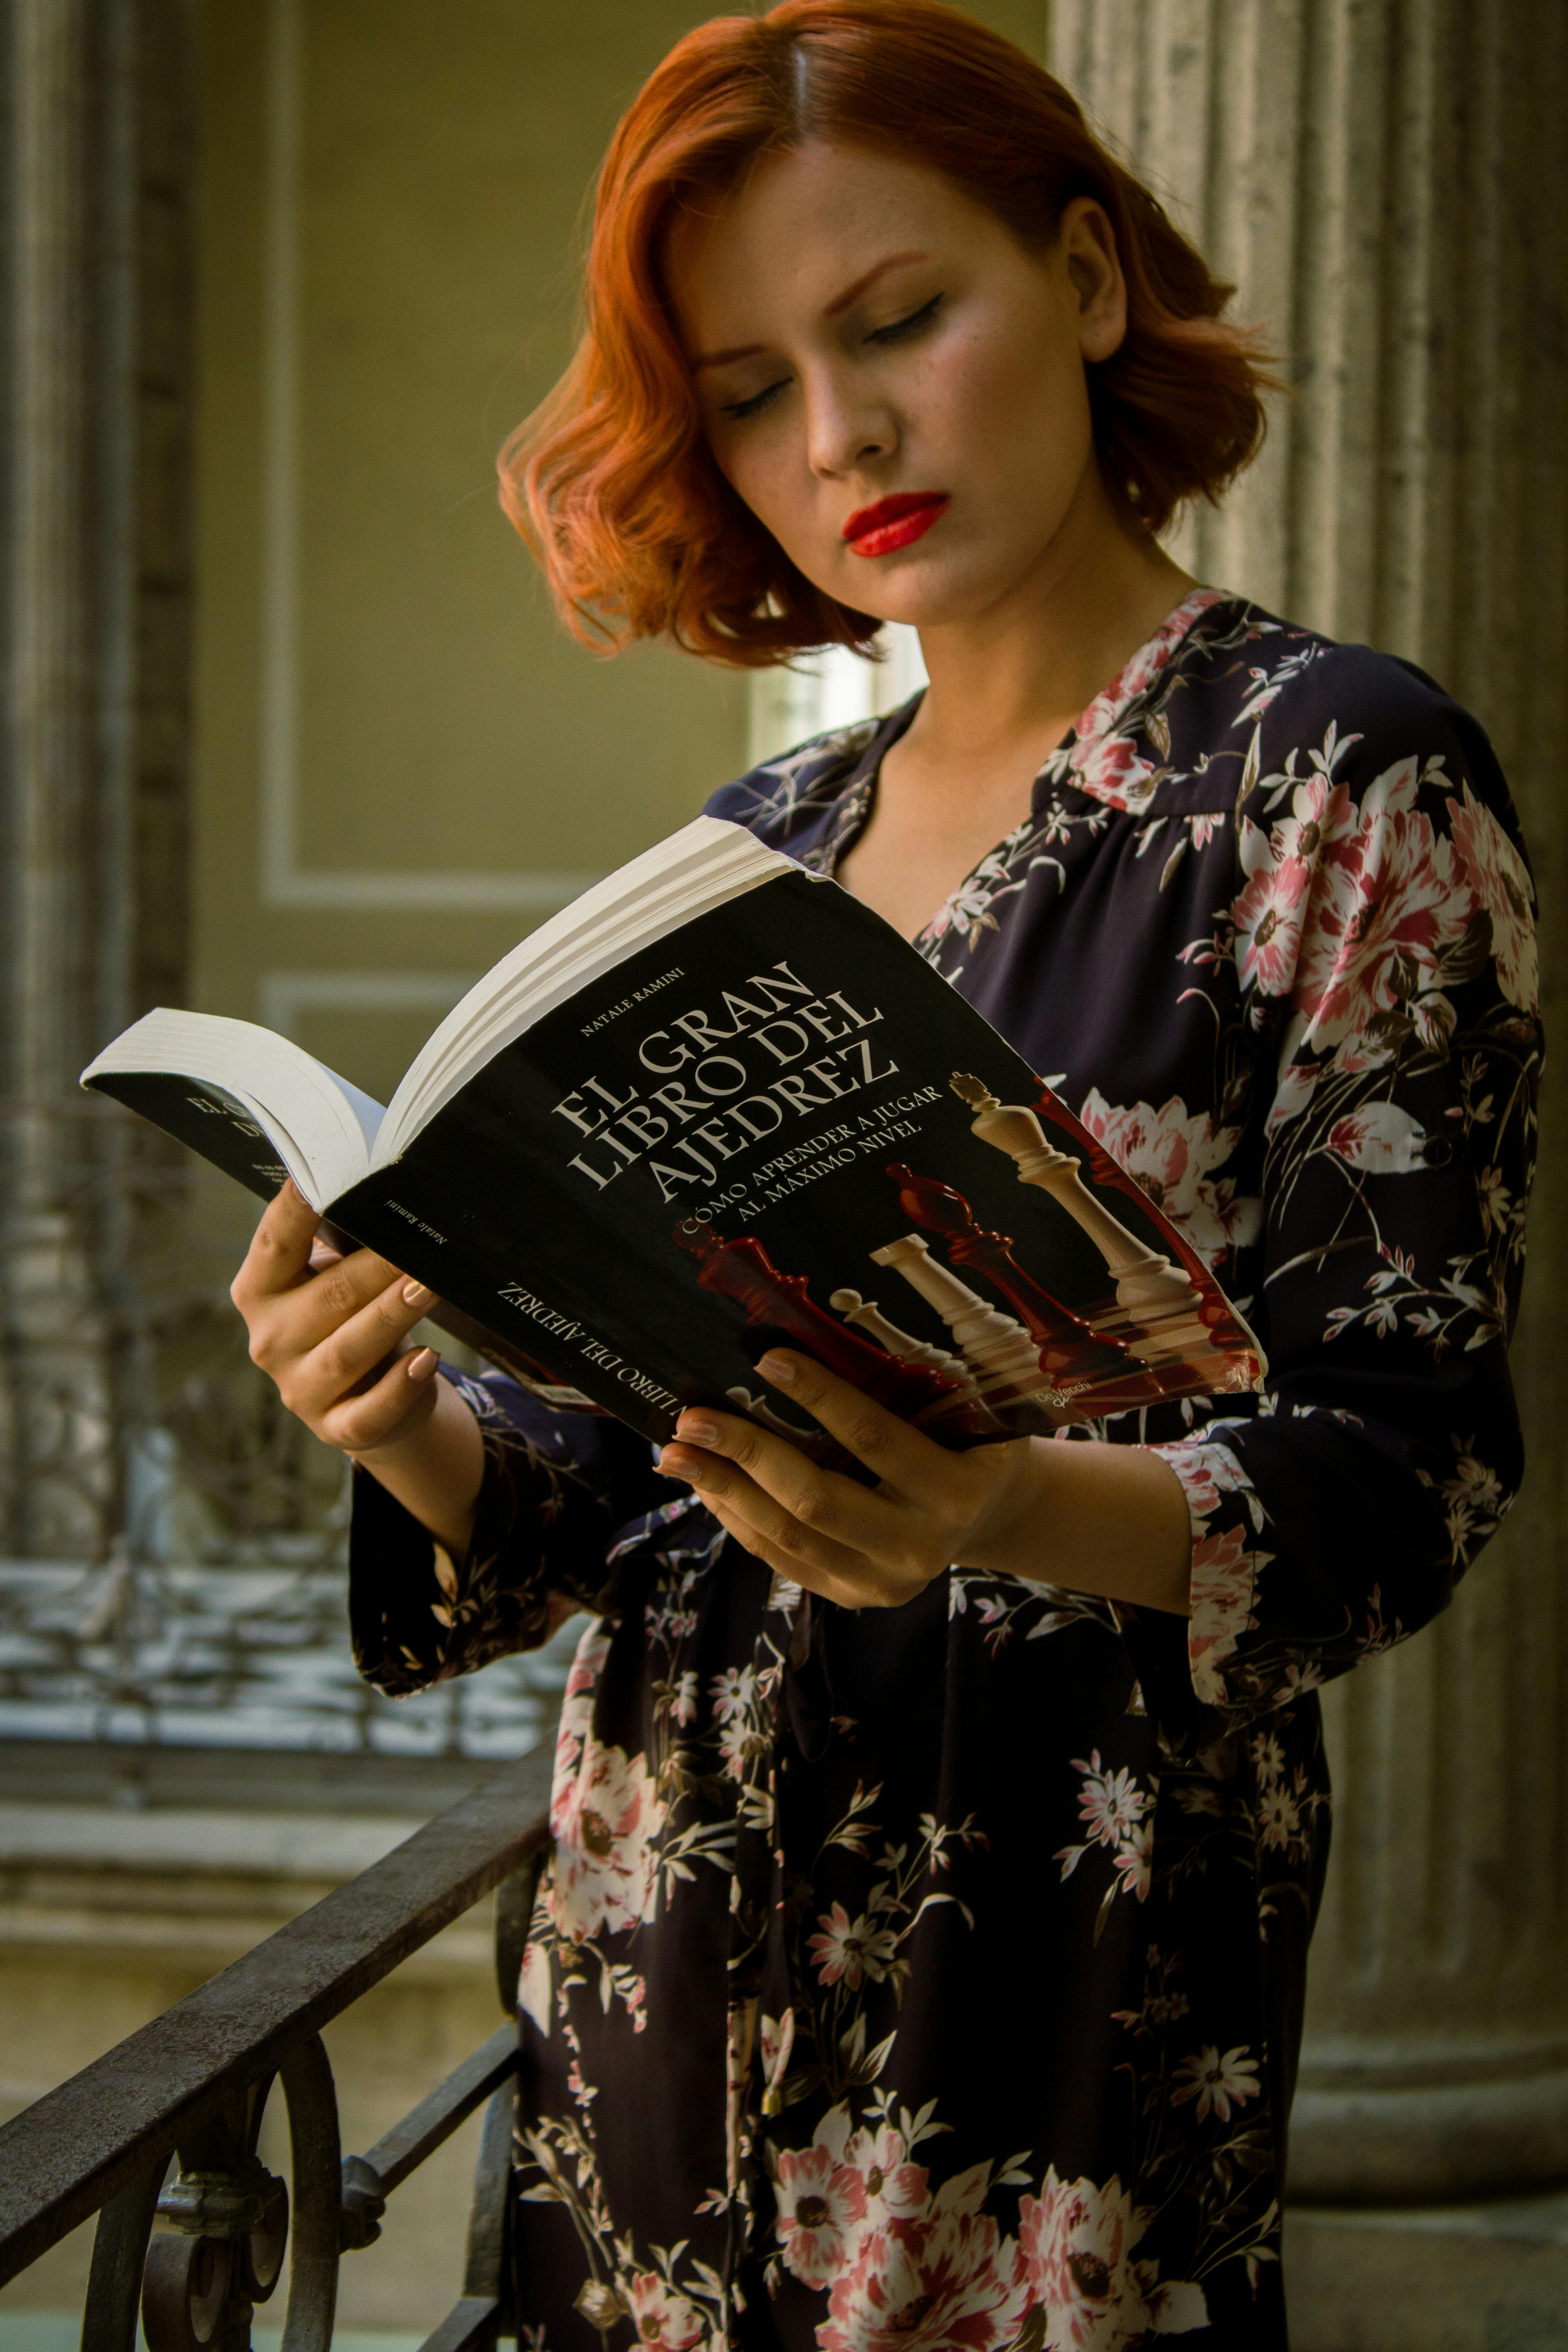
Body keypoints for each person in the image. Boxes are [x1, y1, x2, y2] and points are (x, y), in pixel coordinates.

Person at [230, 4, 1540, 2343]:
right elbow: (604, 1486)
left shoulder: (1334, 781)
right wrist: (396, 1408)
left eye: (897, 320)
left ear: (1089, 281)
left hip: (1049, 1995)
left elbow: (1409, 1458)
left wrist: (1005, 1505)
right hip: (655, 1964)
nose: (834, 438)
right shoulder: (760, 854)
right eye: (747, 390)